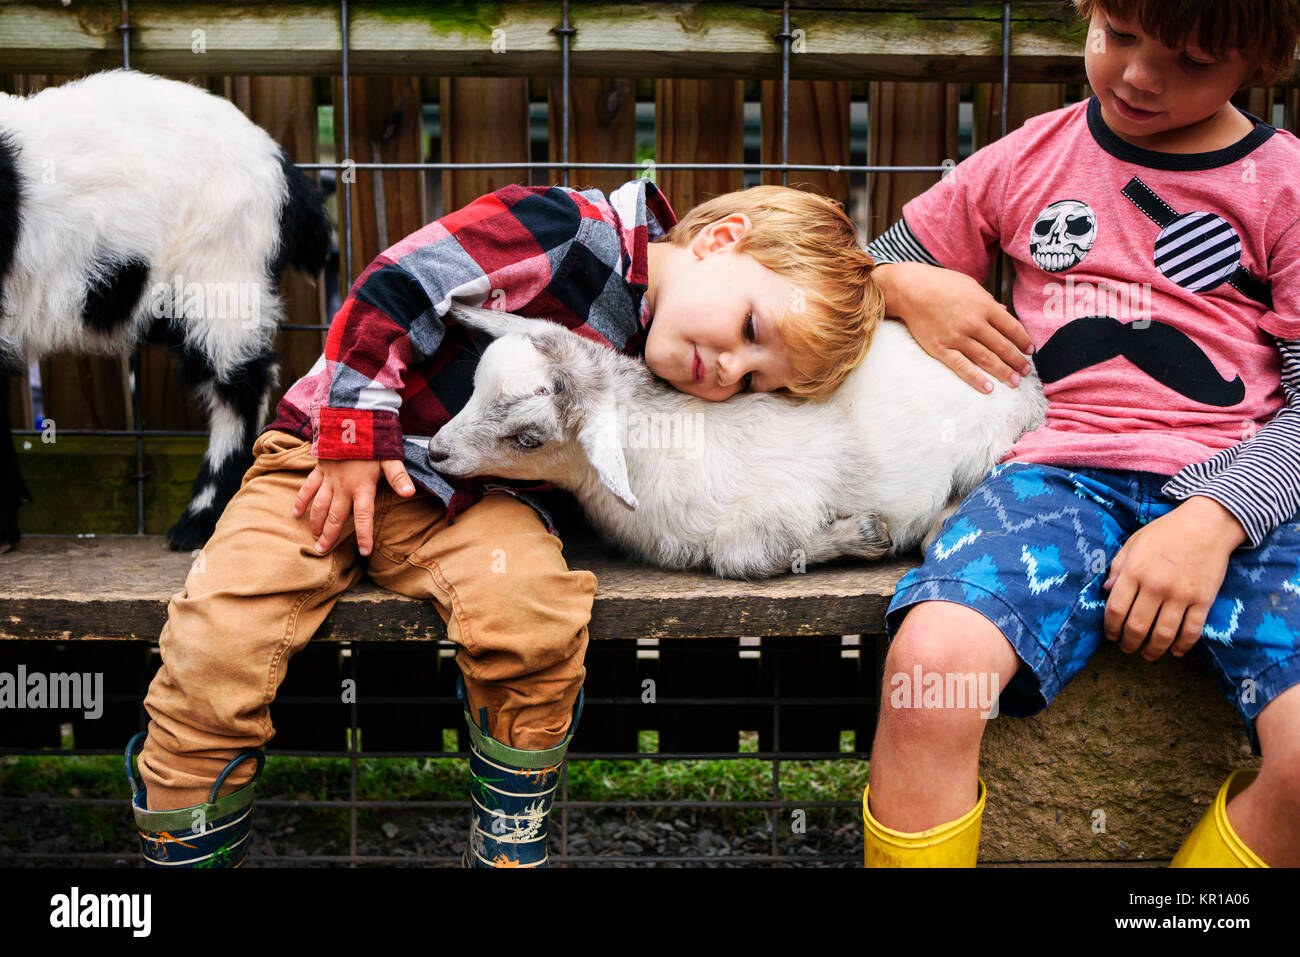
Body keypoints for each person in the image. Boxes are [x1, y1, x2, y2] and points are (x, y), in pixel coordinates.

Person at [124, 178, 883, 867]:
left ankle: (509, 836)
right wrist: (354, 430)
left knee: (533, 613)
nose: (727, 370)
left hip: (476, 501)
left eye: (753, 377)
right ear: (719, 239)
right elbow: (398, 282)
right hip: (326, 462)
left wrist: (896, 290)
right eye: (750, 327)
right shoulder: (566, 231)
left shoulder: (666, 345)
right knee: (226, 620)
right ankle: (185, 828)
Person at [862, 0, 1300, 867]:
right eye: (1121, 36)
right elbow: (877, 260)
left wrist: (1215, 519)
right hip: (1055, 478)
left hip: (1247, 489)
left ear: (1256, 62)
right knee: (928, 675)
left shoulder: (1284, 188)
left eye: (1190, 59)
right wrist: (905, 285)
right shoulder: (1031, 155)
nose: (1140, 75)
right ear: (1089, 11)